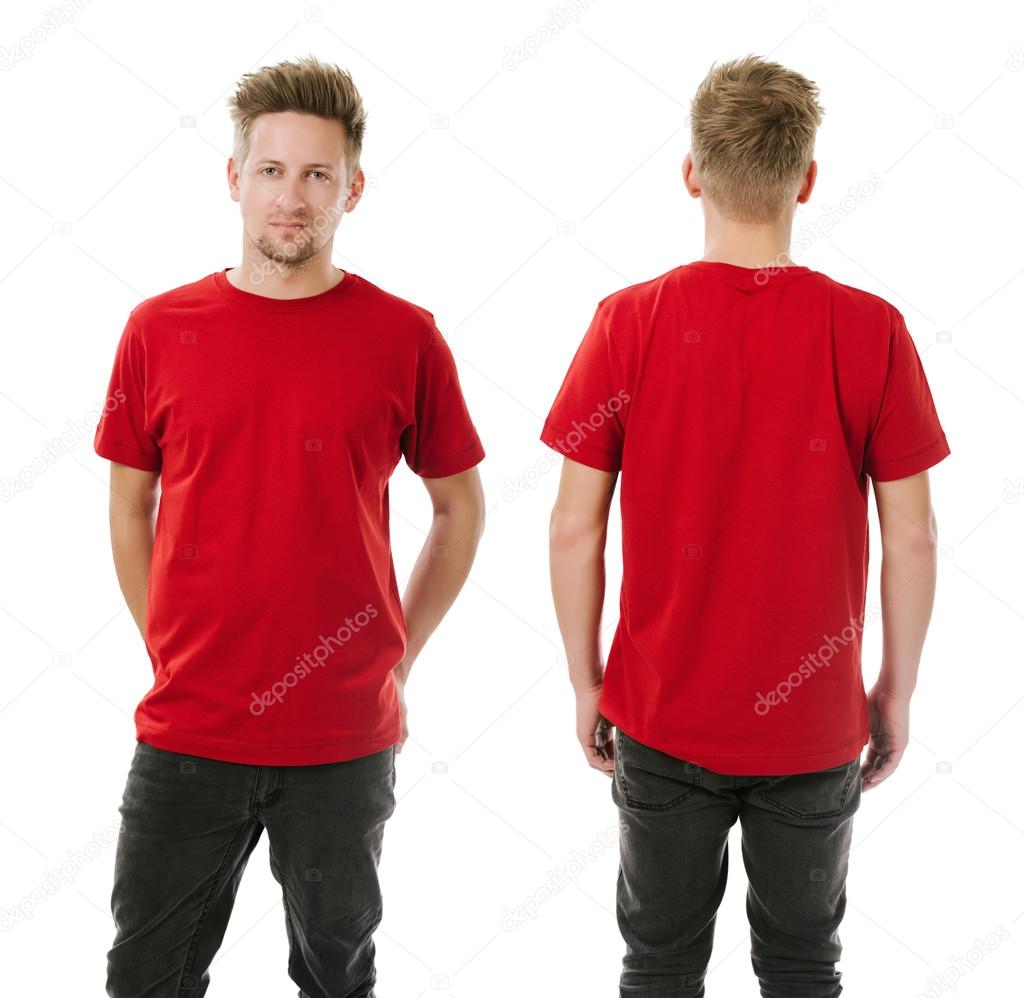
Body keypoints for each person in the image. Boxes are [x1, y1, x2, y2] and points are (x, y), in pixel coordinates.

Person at [540, 54, 950, 997]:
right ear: (806, 179)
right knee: (804, 966)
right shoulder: (870, 329)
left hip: (661, 712)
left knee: (658, 964)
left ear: (692, 173)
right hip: (812, 728)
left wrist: (585, 678)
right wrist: (894, 690)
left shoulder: (627, 322)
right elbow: (915, 540)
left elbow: (571, 528)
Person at [94, 55, 485, 998]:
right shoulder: (158, 329)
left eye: (318, 175)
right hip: (189, 731)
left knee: (337, 977)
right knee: (145, 976)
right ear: (234, 178)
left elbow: (460, 506)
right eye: (271, 171)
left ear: (353, 186)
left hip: (343, 739)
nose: (292, 197)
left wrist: (399, 655)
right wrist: (168, 645)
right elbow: (126, 500)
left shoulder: (405, 337)